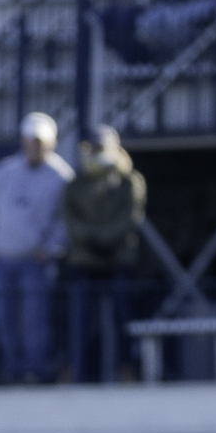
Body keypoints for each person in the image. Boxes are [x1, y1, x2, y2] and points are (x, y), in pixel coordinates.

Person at [0, 113, 73, 384]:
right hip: (2, 258)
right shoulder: (4, 171)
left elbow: (65, 220)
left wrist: (51, 247)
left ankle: (36, 371)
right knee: (4, 320)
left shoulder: (61, 176)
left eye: (40, 141)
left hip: (35, 261)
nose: (34, 146)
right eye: (30, 140)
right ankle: (12, 370)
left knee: (35, 321)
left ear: (52, 143)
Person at [62, 126, 146, 383]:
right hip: (85, 259)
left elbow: (131, 218)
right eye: (92, 147)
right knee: (80, 319)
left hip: (117, 258)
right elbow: (70, 218)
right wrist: (91, 240)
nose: (95, 153)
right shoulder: (76, 182)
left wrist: (105, 239)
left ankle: (127, 368)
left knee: (122, 315)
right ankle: (78, 370)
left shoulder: (130, 180)